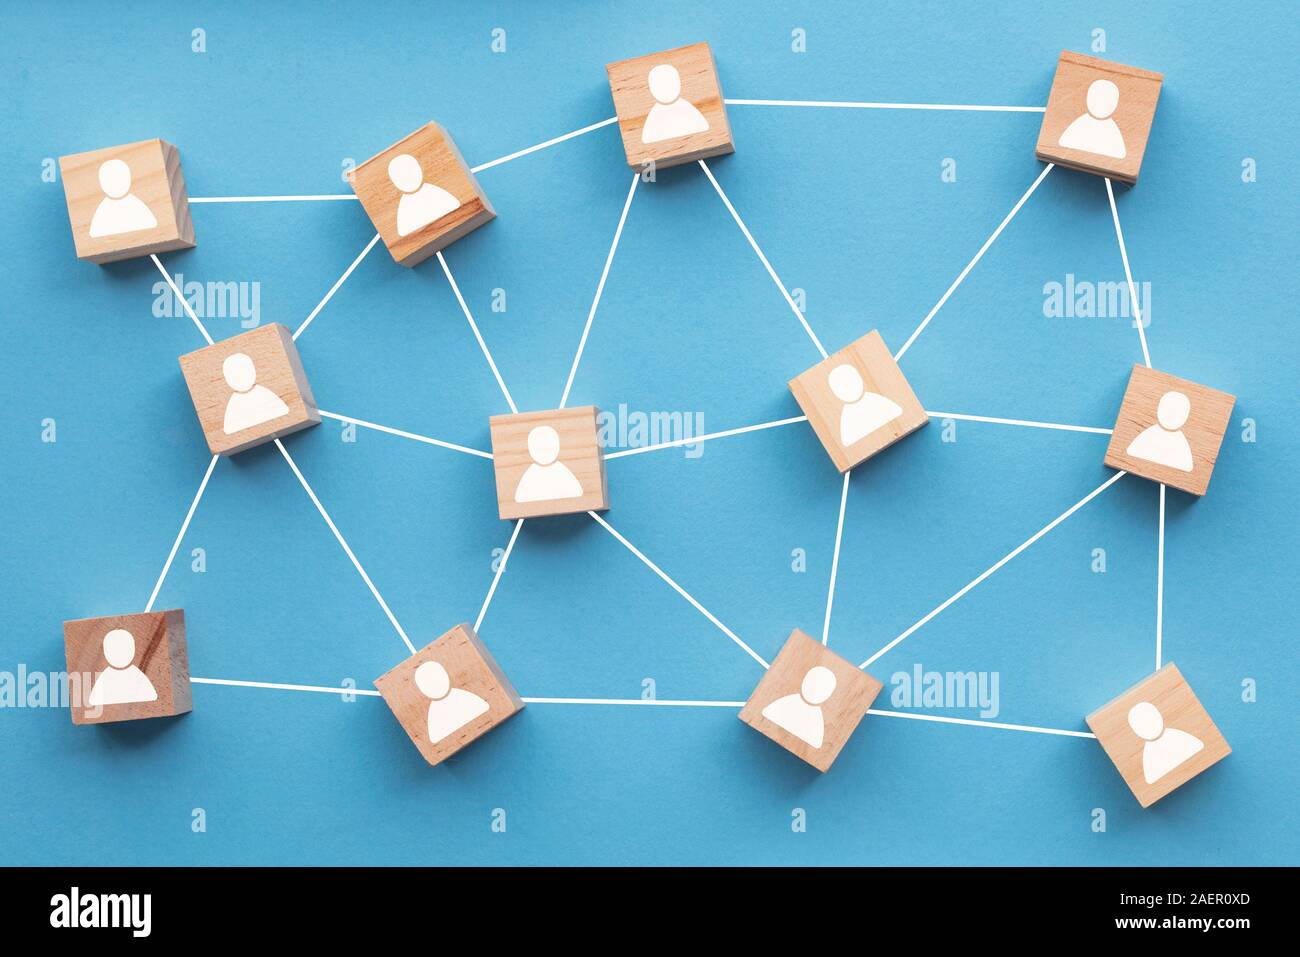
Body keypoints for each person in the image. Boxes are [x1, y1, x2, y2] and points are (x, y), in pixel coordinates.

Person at [1128, 701, 1204, 784]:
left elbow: (1198, 749)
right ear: (1136, 731)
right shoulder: (1149, 757)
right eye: (1141, 725)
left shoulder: (1179, 737)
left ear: (1159, 717)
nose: (1149, 725)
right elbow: (1152, 780)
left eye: (1151, 719)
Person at [761, 666, 837, 749]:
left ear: (828, 694)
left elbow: (815, 743)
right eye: (812, 683)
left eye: (823, 689)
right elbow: (767, 715)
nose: (815, 690)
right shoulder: (786, 702)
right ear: (804, 681)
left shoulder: (816, 721)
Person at [415, 661, 489, 745]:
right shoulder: (435, 715)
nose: (435, 685)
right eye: (428, 685)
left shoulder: (465, 697)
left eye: (438, 678)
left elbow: (483, 709)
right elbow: (437, 739)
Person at [828, 363, 902, 447]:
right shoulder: (848, 418)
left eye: (852, 382)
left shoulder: (877, 401)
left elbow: (897, 414)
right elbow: (849, 442)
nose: (849, 388)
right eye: (842, 387)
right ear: (836, 392)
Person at [389, 153, 460, 237]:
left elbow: (455, 207)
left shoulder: (434, 192)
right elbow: (405, 233)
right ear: (395, 182)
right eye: (400, 177)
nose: (408, 178)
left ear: (419, 170)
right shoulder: (405, 207)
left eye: (410, 171)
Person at [1057, 79, 1127, 159]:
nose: (1101, 105)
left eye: (1107, 101)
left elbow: (1119, 154)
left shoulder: (1111, 129)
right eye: (1097, 99)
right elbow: (1064, 143)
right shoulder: (1081, 123)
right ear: (1088, 99)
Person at [221, 352, 289, 434]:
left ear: (253, 371)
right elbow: (229, 429)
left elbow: (282, 410)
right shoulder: (234, 402)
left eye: (244, 371)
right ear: (227, 379)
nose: (241, 377)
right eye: (234, 375)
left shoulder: (263, 393)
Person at [1126, 390, 1194, 472]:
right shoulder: (1149, 434)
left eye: (1178, 413)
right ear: (1158, 410)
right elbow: (1132, 453)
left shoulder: (1180, 442)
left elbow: (1186, 467)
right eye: (1168, 410)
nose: (1171, 416)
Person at [640, 63, 709, 144]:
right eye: (660, 86)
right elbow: (647, 139)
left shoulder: (686, 107)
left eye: (669, 83)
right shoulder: (656, 113)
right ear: (651, 89)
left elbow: (703, 127)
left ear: (679, 83)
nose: (665, 89)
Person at [88, 159, 158, 238]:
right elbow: (95, 233)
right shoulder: (103, 210)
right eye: (110, 181)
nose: (115, 184)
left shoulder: (136, 205)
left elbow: (151, 225)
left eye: (119, 178)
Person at [87, 629, 157, 706]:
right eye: (113, 650)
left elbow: (151, 697)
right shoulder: (105, 677)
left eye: (124, 648)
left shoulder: (136, 675)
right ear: (106, 652)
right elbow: (94, 701)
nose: (119, 654)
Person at [514, 425, 583, 502]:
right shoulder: (531, 473)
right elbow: (521, 498)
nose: (544, 450)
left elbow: (576, 492)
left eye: (549, 444)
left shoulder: (561, 470)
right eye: (538, 447)